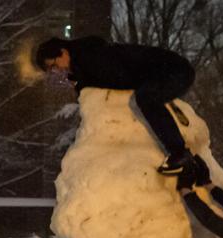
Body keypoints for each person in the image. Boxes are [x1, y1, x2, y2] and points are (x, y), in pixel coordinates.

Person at [33, 35, 198, 175]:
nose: (56, 70)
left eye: (53, 65)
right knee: (148, 96)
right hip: (167, 73)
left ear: (62, 52)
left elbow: (115, 78)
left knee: (146, 98)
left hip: (175, 70)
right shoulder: (84, 57)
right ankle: (171, 109)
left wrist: (81, 82)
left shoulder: (89, 56)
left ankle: (179, 154)